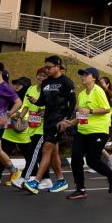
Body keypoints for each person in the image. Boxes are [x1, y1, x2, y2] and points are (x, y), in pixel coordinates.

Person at [23, 55, 76, 195]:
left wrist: (65, 120)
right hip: (47, 121)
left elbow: (73, 102)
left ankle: (36, 181)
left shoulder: (66, 82)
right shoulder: (46, 82)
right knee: (53, 152)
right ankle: (61, 180)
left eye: (49, 67)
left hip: (59, 122)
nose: (46, 70)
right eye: (45, 67)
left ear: (58, 66)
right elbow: (43, 101)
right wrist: (35, 101)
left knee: (46, 149)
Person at [62, 68, 112, 200]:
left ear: (94, 78)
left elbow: (107, 109)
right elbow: (82, 114)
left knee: (92, 161)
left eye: (86, 74)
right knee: (76, 159)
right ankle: (80, 189)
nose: (83, 76)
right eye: (82, 74)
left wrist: (90, 110)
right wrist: (71, 123)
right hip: (82, 131)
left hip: (98, 131)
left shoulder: (98, 91)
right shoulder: (82, 94)